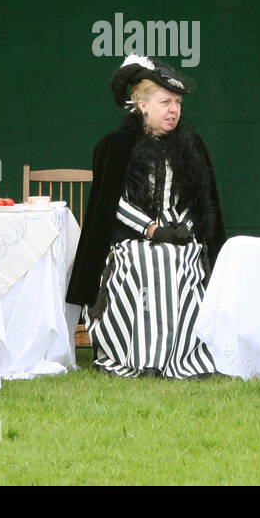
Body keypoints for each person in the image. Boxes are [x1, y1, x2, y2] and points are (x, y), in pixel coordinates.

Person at [67, 55, 226, 379]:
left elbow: (199, 198)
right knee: (147, 260)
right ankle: (141, 356)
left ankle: (179, 356)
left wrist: (183, 228)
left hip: (179, 233)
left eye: (178, 103)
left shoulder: (191, 145)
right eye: (165, 102)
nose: (174, 110)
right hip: (128, 239)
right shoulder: (115, 146)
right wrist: (151, 229)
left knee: (179, 258)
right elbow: (111, 203)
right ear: (141, 105)